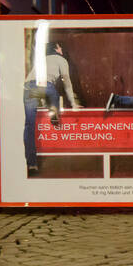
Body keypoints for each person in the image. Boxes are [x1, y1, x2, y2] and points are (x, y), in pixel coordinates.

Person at [23, 42, 80, 174]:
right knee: (52, 93)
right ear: (56, 49)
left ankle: (32, 164)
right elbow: (67, 82)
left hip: (28, 87)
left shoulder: (42, 60)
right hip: (46, 85)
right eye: (60, 47)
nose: (62, 48)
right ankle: (53, 113)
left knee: (29, 125)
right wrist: (73, 103)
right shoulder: (61, 59)